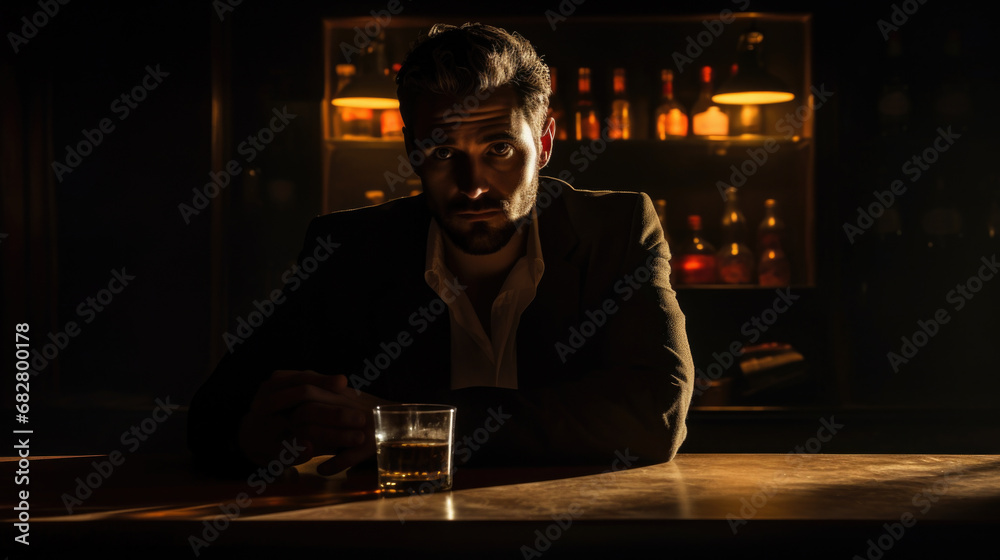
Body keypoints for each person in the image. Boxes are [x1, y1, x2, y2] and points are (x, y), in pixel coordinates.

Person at [187, 22, 694, 478]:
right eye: (444, 152)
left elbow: (655, 414)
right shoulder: (349, 250)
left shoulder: (617, 228)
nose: (472, 185)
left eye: (499, 149)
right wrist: (254, 439)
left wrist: (401, 425)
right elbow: (214, 416)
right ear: (412, 151)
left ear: (544, 143)